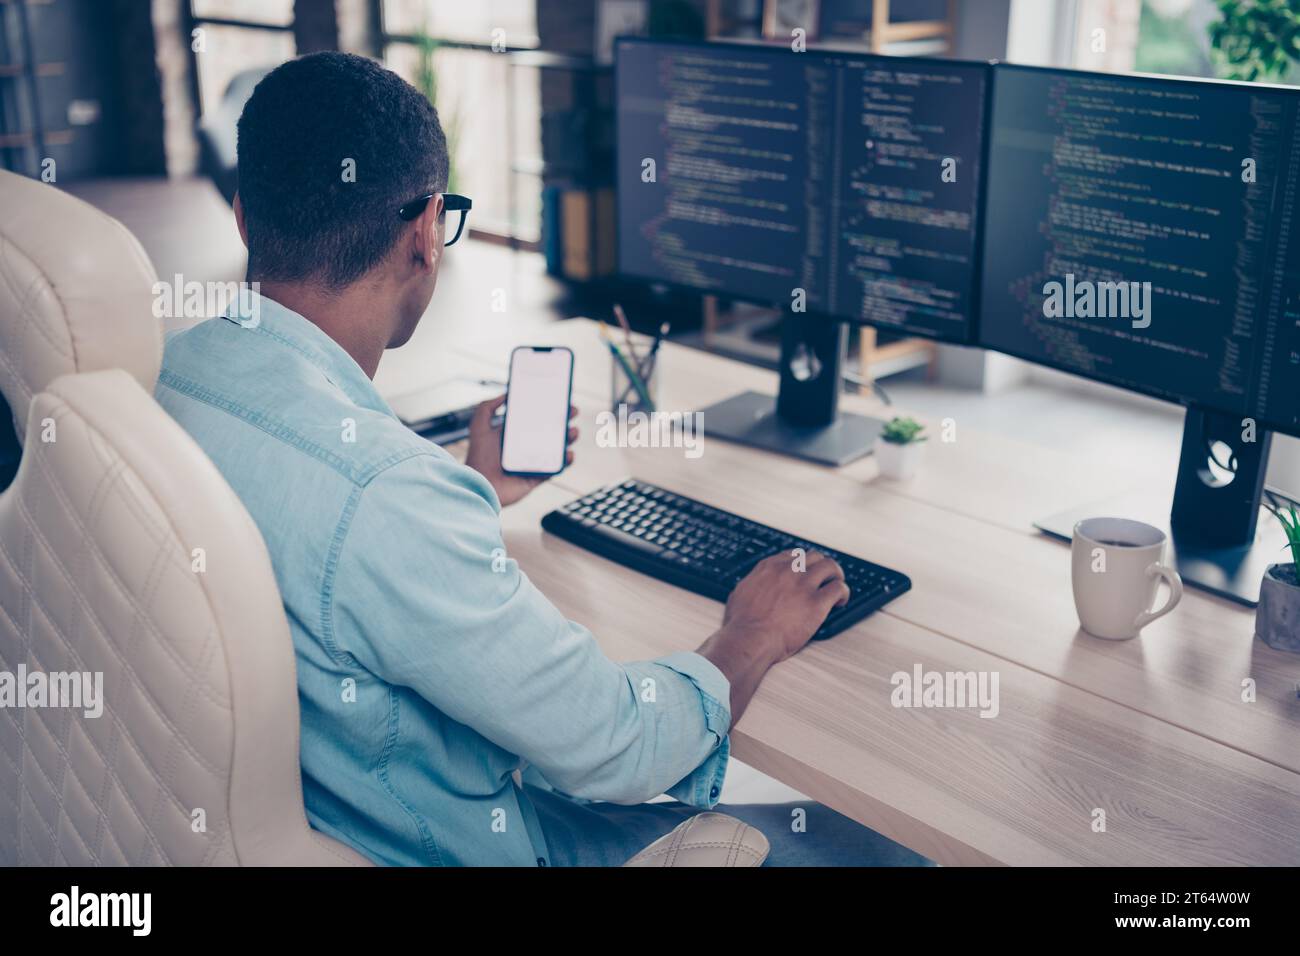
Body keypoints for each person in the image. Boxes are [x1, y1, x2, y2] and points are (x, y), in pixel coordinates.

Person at [156, 51, 928, 867]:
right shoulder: (387, 496)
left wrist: (471, 488)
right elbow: (620, 748)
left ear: (244, 218)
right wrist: (750, 633)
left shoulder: (167, 375)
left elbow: (330, 545)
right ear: (425, 233)